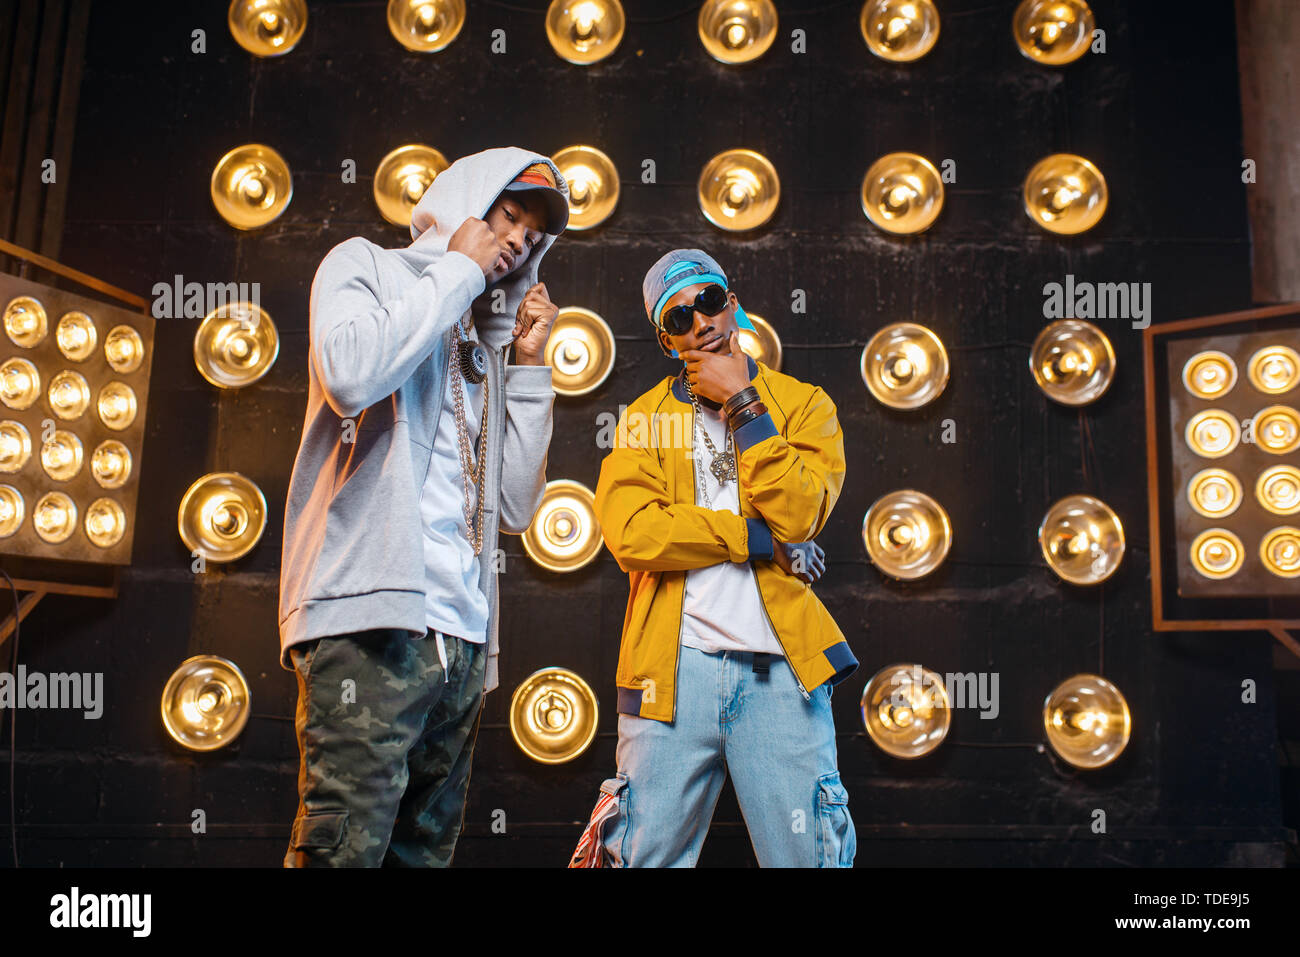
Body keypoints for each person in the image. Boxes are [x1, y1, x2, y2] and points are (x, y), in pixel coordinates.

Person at [278, 147, 568, 867]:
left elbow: (513, 505)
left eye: (531, 241)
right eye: (508, 217)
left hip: (461, 639)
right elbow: (349, 376)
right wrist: (458, 269)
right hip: (373, 620)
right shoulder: (366, 267)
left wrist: (526, 366)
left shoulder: (481, 344)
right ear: (467, 197)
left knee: (421, 857)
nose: (515, 244)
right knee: (341, 851)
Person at [573, 249, 857, 868]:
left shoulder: (804, 405)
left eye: (708, 300)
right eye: (678, 318)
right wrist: (754, 540)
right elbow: (631, 533)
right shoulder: (646, 420)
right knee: (639, 856)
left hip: (780, 675)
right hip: (672, 674)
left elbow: (801, 512)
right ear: (666, 340)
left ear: (732, 301)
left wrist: (744, 404)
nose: (699, 321)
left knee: (807, 857)